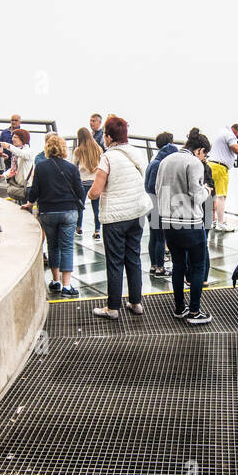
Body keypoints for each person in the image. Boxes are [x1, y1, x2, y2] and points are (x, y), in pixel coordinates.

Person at [88, 115, 151, 319]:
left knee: (115, 261)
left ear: (108, 137)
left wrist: (89, 194)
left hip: (115, 218)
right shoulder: (137, 153)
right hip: (136, 213)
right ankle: (136, 302)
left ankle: (113, 307)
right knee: (133, 258)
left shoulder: (107, 158)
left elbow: (96, 191)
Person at [155, 130, 213, 324]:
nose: (205, 159)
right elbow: (197, 197)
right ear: (200, 150)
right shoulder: (194, 163)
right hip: (190, 224)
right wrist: (206, 190)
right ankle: (195, 312)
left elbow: (157, 189)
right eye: (205, 155)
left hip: (168, 222)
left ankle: (179, 308)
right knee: (197, 267)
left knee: (178, 266)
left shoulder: (166, 160)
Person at [26, 133, 86, 297]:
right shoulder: (71, 168)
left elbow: (34, 191)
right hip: (68, 212)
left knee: (52, 246)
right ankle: (67, 286)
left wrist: (29, 203)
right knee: (66, 247)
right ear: (63, 149)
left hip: (47, 212)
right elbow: (80, 192)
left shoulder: (41, 167)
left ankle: (56, 281)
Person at [143, 131, 178, 277]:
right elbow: (153, 186)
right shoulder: (160, 165)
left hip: (150, 205)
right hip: (157, 205)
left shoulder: (153, 161)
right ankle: (160, 268)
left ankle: (153, 265)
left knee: (153, 236)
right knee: (160, 238)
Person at [207, 123, 238, 231]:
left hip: (211, 165)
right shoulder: (230, 135)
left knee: (211, 195)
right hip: (220, 168)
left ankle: (212, 221)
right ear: (237, 132)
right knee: (221, 197)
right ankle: (220, 224)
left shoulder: (222, 132)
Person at [72, 127, 103, 240]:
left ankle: (79, 228)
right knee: (96, 208)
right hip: (95, 181)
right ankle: (97, 230)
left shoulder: (78, 150)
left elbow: (73, 166)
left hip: (82, 182)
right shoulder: (98, 149)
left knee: (80, 206)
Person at [0, 128, 36, 202]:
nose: (13, 139)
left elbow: (22, 154)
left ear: (22, 139)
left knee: (25, 210)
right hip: (18, 185)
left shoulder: (28, 151)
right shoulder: (16, 152)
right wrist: (4, 175)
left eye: (15, 137)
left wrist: (8, 146)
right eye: (12, 137)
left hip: (27, 186)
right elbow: (14, 168)